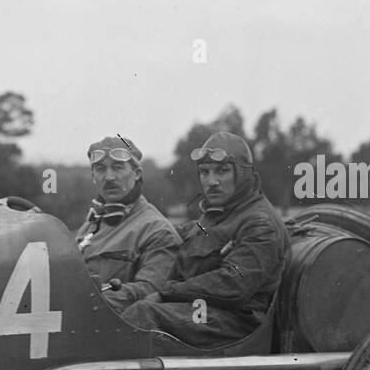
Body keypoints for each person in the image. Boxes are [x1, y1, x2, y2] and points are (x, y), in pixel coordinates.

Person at [121, 131, 288, 349]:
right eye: (204, 172)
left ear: (244, 174)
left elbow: (233, 284)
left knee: (143, 314)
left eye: (222, 171)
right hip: (205, 311)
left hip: (233, 322)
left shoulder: (259, 222)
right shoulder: (217, 215)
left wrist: (166, 293)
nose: (212, 182)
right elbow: (177, 234)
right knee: (124, 303)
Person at [75, 134, 180, 311]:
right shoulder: (90, 226)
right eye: (100, 169)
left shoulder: (157, 231)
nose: (109, 177)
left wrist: (85, 302)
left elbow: (151, 291)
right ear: (93, 176)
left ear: (137, 173)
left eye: (118, 167)